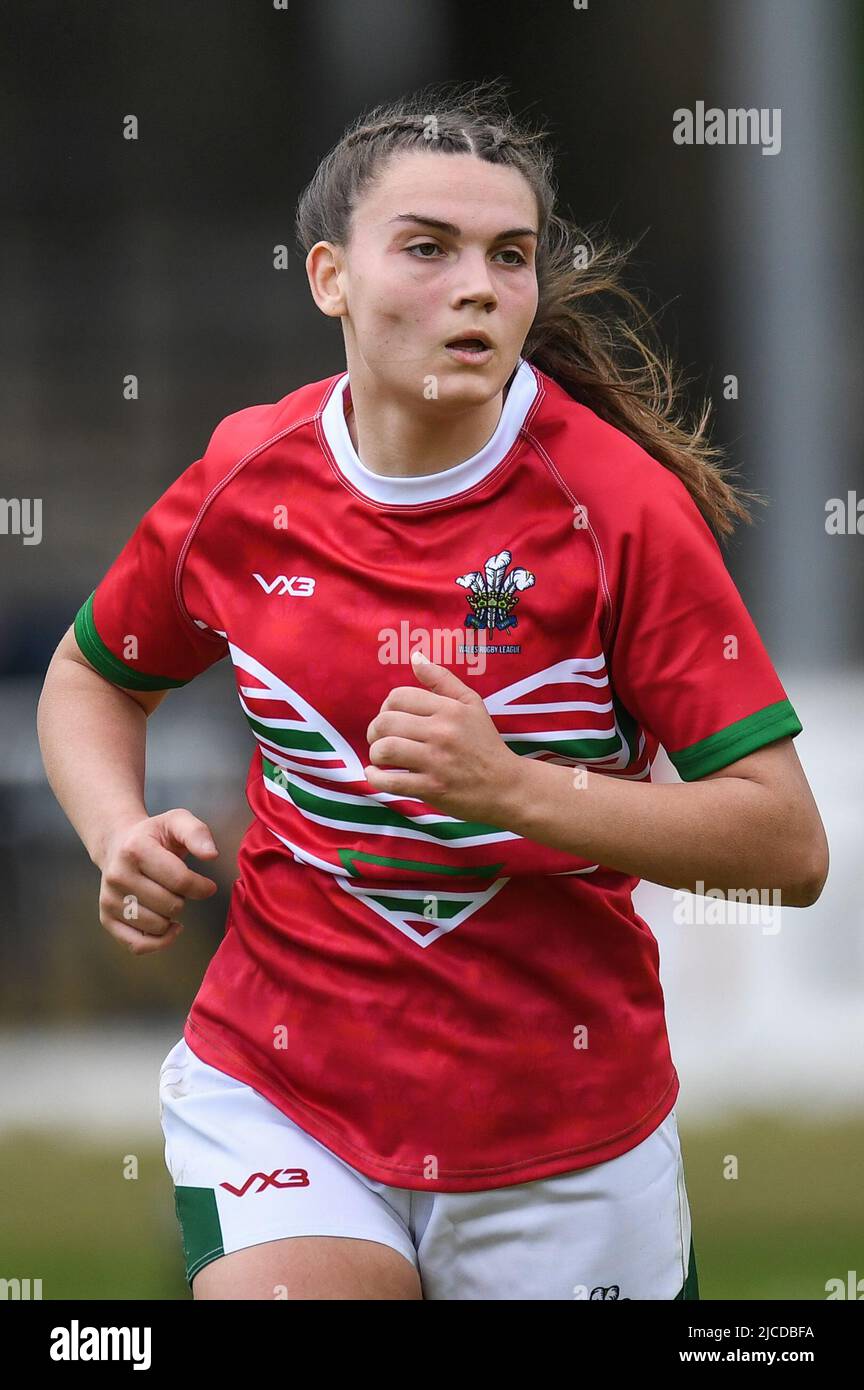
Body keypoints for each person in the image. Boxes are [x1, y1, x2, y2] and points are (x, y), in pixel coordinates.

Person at [37, 79, 829, 1301]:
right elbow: (94, 675)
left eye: (511, 256)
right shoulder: (251, 475)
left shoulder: (619, 511)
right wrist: (117, 829)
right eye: (428, 248)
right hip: (283, 1088)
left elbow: (786, 842)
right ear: (328, 279)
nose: (479, 285)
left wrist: (517, 789)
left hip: (564, 1131)